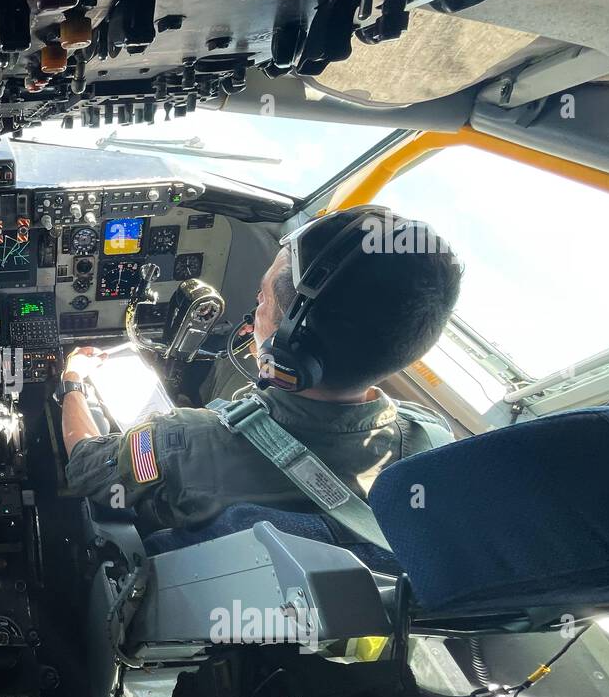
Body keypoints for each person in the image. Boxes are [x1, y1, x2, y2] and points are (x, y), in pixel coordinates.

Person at [61, 206, 463, 537]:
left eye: (266, 295)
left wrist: (73, 380)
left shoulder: (181, 440)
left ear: (293, 341)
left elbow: (87, 467)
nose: (256, 301)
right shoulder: (433, 440)